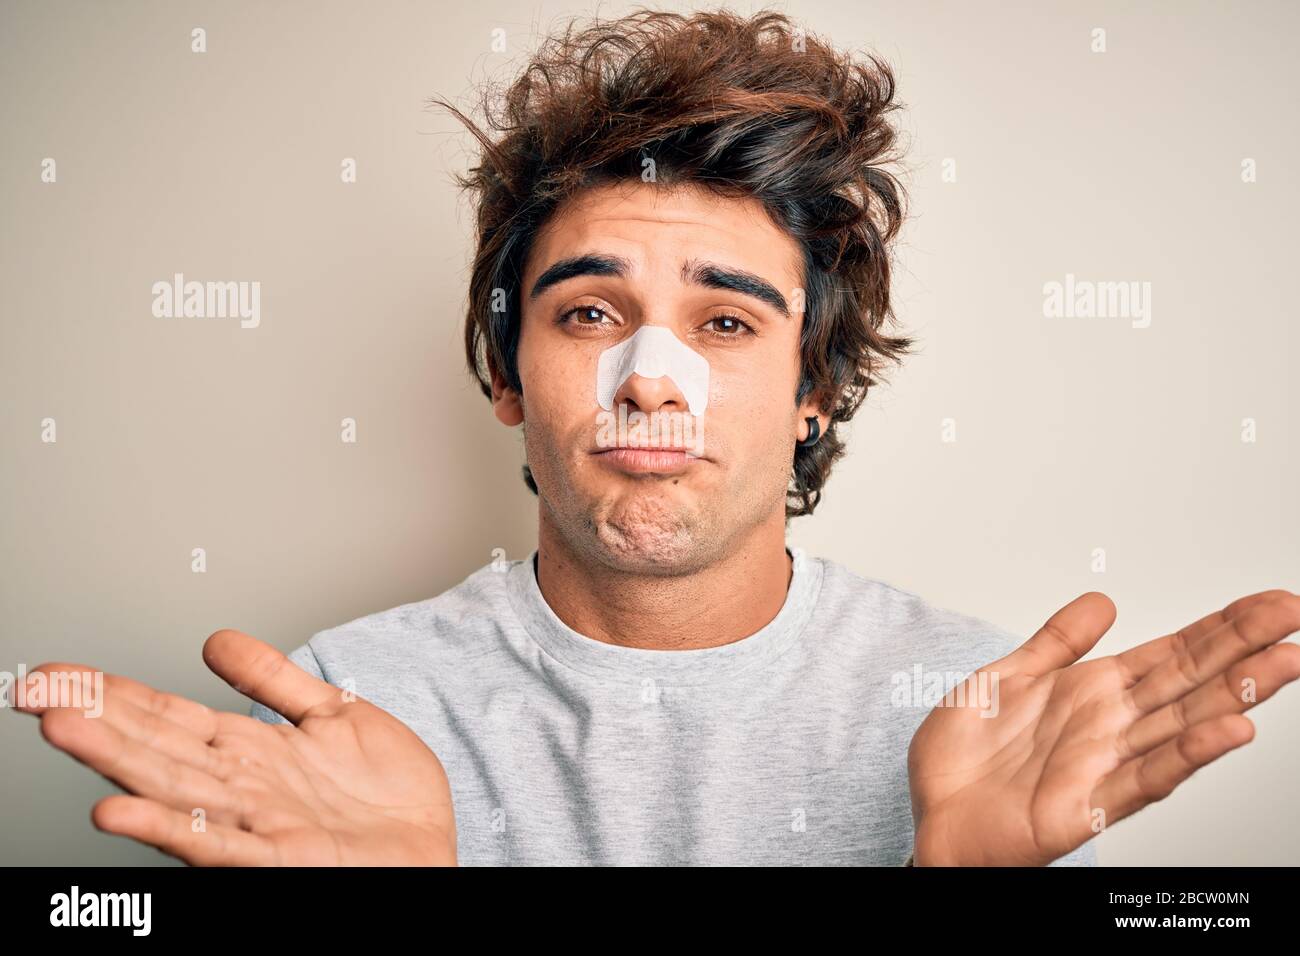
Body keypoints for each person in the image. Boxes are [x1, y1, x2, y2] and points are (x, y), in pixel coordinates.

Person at [16, 8, 1300, 867]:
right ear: (506, 371)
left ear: (814, 387)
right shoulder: (341, 707)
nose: (649, 383)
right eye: (589, 313)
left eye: (726, 322)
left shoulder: (979, 706)